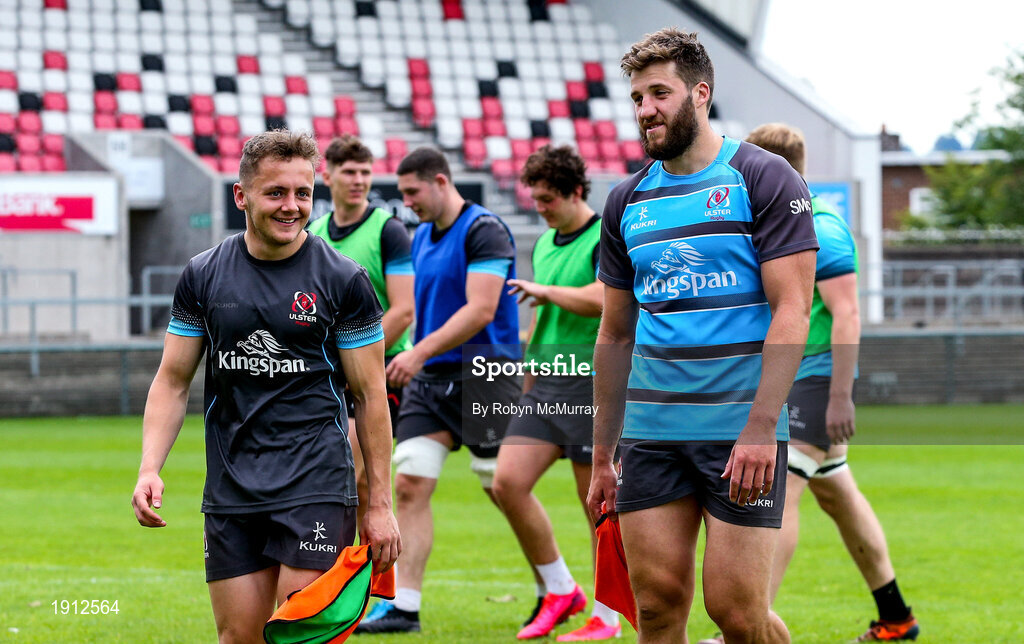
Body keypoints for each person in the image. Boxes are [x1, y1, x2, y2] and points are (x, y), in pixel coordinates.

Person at [587, 28, 819, 644]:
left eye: (659, 93)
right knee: (658, 608)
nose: (645, 111)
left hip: (739, 431)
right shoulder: (626, 201)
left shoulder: (763, 178)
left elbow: (793, 310)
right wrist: (602, 455)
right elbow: (614, 336)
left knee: (737, 613)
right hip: (651, 434)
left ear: (701, 92)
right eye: (637, 98)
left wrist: (762, 430)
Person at [130, 129, 401, 644]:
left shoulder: (345, 279)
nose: (291, 206)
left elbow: (369, 398)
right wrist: (149, 467)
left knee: (301, 634)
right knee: (239, 638)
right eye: (276, 193)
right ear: (242, 196)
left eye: (303, 193)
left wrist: (379, 505)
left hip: (316, 481)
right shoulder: (203, 275)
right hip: (232, 485)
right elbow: (171, 380)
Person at [744, 123, 919, 642]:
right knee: (838, 496)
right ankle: (897, 617)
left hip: (817, 378)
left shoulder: (822, 225)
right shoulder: (780, 224)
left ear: (775, 169)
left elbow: (847, 315)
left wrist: (841, 396)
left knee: (780, 490)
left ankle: (749, 623)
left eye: (750, 167)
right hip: (798, 377)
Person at [355, 147, 522, 634]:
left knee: (504, 490)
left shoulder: (484, 229)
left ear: (441, 182)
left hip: (484, 373)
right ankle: (404, 606)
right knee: (407, 483)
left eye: (412, 192)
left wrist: (416, 351)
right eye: (402, 193)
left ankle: (556, 586)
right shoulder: (421, 235)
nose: (406, 203)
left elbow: (481, 310)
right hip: (431, 382)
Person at [491, 144, 621, 641]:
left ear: (576, 192)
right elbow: (542, 316)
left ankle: (606, 620)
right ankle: (561, 588)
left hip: (590, 385)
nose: (540, 208)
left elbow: (604, 301)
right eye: (536, 199)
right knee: (507, 482)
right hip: (544, 384)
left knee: (596, 504)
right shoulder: (546, 243)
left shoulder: (602, 237)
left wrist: (545, 293)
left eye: (547, 199)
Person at [307, 134, 415, 528]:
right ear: (328, 175)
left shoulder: (389, 230)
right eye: (349, 171)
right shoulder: (313, 230)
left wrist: (352, 358)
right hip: (325, 372)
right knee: (345, 483)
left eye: (366, 172)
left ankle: (375, 587)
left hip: (378, 369)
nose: (359, 180)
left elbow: (403, 310)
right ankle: (364, 584)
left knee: (356, 478)